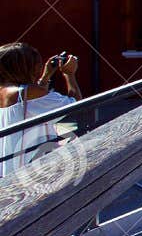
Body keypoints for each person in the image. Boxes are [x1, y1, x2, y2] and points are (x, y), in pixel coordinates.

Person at [0, 42, 82, 178]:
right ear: (25, 68)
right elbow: (75, 106)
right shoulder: (27, 92)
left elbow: (31, 102)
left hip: (6, 168)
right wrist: (69, 75)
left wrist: (45, 76)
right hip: (28, 169)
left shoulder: (10, 92)